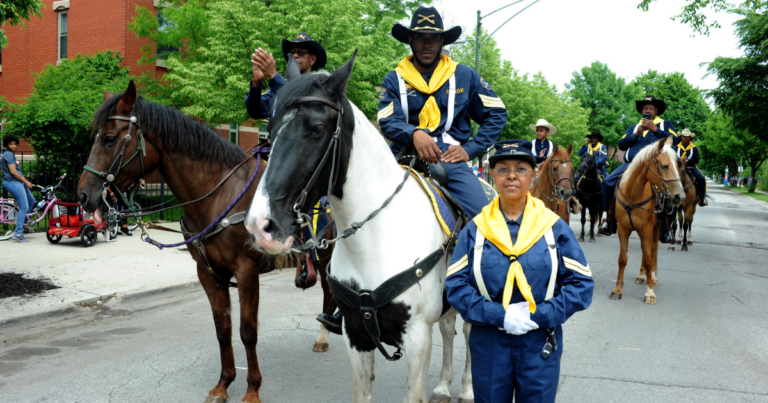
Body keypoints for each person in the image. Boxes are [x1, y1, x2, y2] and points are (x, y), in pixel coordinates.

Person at [446, 139, 594, 403]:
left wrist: (540, 314)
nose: (512, 175)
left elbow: (581, 285)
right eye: (503, 168)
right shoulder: (475, 229)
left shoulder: (554, 228)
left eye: (521, 169)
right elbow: (455, 286)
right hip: (489, 340)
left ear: (534, 174)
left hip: (540, 339)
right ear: (493, 175)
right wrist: (498, 315)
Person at [377, 5, 508, 219]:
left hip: (449, 158)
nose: (427, 43)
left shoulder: (464, 75)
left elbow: (497, 113)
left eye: (434, 38)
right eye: (420, 37)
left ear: (442, 41)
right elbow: (388, 121)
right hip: (401, 154)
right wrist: (414, 133)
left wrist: (470, 149)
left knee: (487, 220)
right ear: (410, 40)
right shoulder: (394, 78)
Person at [599, 96, 679, 243]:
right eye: (645, 108)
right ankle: (608, 219)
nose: (648, 111)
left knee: (669, 189)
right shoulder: (634, 127)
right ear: (642, 112)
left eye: (651, 108)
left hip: (655, 167)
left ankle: (666, 227)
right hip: (630, 165)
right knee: (608, 182)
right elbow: (622, 144)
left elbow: (674, 140)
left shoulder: (665, 124)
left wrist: (654, 129)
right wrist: (636, 134)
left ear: (656, 111)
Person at [244, 32, 327, 120]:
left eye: (301, 52)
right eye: (292, 52)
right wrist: (256, 83)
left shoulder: (320, 86)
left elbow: (299, 100)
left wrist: (273, 75)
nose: (295, 55)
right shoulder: (277, 87)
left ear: (312, 59)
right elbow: (255, 112)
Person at [1, 135, 35, 243]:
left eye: (15, 144)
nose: (13, 146)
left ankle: (23, 225)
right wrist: (25, 182)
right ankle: (18, 233)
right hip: (13, 182)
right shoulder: (8, 155)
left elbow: (18, 172)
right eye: (10, 144)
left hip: (18, 182)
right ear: (6, 145)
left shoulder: (10, 155)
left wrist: (26, 181)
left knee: (31, 200)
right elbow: (13, 172)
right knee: (24, 206)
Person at [676, 129, 707, 206]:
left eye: (687, 137)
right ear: (681, 137)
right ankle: (665, 198)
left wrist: (688, 161)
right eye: (684, 136)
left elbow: (697, 159)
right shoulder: (676, 147)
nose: (685, 138)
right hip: (677, 167)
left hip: (691, 167)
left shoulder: (694, 148)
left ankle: (702, 198)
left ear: (690, 138)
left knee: (701, 178)